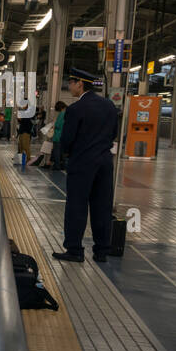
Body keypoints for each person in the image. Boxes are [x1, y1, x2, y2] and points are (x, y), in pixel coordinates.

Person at [53, 69, 119, 263]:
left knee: (77, 206)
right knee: (102, 206)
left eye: (71, 83)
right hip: (105, 163)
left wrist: (68, 154)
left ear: (80, 84)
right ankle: (101, 251)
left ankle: (74, 250)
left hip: (82, 163)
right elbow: (113, 132)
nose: (69, 87)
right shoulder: (109, 106)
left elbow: (67, 139)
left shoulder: (76, 109)